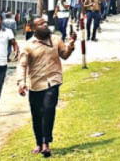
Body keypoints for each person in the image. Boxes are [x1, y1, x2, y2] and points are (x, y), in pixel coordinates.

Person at [16, 17, 76, 158]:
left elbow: (64, 55)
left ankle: (46, 144)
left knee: (49, 110)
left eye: (45, 23)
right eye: (40, 24)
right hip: (36, 84)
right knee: (37, 115)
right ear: (32, 28)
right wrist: (21, 82)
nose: (44, 25)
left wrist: (71, 46)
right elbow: (22, 65)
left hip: (53, 81)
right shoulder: (28, 45)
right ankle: (38, 142)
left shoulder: (56, 40)